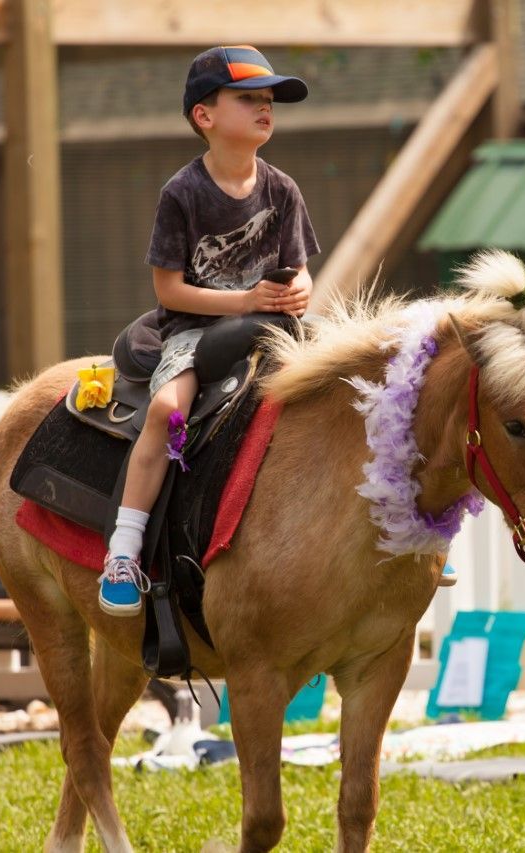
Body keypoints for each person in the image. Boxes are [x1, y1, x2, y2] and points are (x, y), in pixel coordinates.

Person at [99, 45, 320, 615]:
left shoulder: (283, 188)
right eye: (248, 99)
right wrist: (243, 299)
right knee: (165, 410)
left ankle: (395, 518)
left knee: (352, 388)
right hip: (194, 333)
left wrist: (300, 291)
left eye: (269, 101)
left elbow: (300, 270)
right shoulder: (183, 193)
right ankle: (124, 548)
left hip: (275, 328)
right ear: (205, 115)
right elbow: (167, 291)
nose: (264, 109)